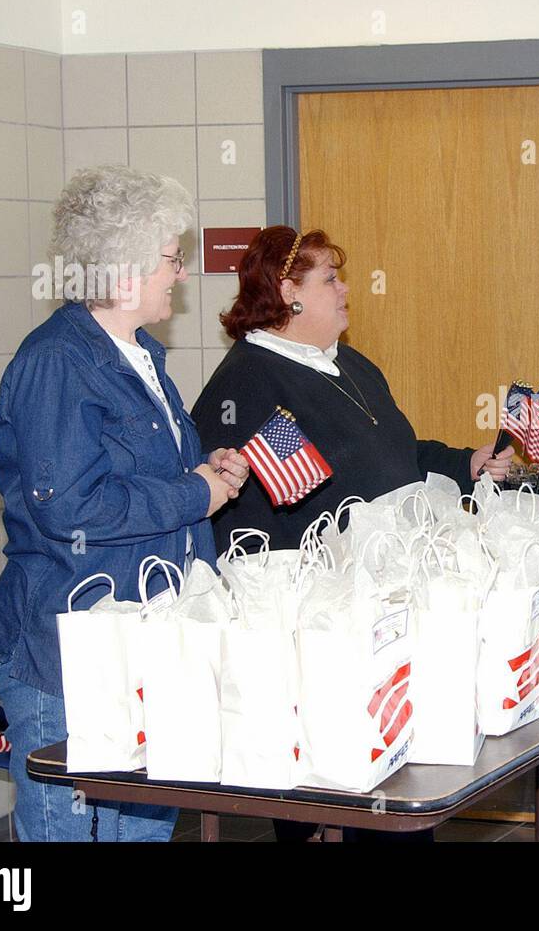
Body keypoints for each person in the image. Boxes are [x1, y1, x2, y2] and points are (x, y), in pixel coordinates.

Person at [192, 226, 513, 841]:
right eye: (329, 280)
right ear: (289, 293)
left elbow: (393, 453)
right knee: (350, 785)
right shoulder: (252, 384)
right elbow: (263, 517)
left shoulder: (346, 362)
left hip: (386, 597)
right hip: (323, 624)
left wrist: (462, 465)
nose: (346, 290)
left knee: (398, 778)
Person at [0, 166, 249, 842]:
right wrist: (196, 492)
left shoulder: (142, 357)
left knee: (141, 831)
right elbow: (71, 508)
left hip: (149, 635)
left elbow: (137, 479)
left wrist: (201, 473)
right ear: (126, 265)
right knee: (66, 830)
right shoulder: (56, 362)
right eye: (170, 258)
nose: (181, 274)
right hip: (68, 650)